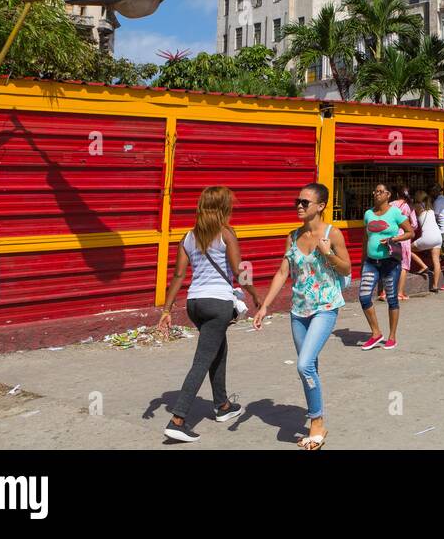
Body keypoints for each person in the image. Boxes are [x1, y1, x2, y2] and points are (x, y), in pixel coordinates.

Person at [158, 186, 262, 443]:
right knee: (202, 360)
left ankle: (222, 405)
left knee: (218, 351)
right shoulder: (226, 233)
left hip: (195, 303)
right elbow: (239, 270)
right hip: (218, 303)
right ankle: (178, 419)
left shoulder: (188, 237)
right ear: (223, 207)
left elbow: (179, 275)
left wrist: (167, 310)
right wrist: (255, 293)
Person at [252, 183, 351, 450]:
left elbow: (346, 268)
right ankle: (315, 417)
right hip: (299, 311)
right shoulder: (293, 235)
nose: (298, 206)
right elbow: (283, 273)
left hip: (325, 308)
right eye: (297, 201)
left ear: (320, 206)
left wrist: (327, 252)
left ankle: (317, 422)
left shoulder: (333, 233)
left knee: (303, 364)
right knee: (310, 367)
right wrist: (264, 307)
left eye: (304, 202)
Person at [359, 182, 414, 349]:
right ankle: (376, 333)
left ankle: (392, 336)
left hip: (390, 262)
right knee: (364, 296)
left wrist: (394, 239)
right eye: (375, 191)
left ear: (388, 195)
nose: (377, 194)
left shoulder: (395, 213)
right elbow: (365, 238)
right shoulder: (368, 214)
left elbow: (410, 232)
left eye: (381, 191)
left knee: (391, 298)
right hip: (371, 262)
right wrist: (362, 260)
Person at [411, 189, 443, 292]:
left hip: (427, 237)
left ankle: (424, 266)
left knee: (407, 249)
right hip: (438, 236)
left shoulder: (417, 207)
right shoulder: (431, 208)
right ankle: (435, 286)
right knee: (436, 261)